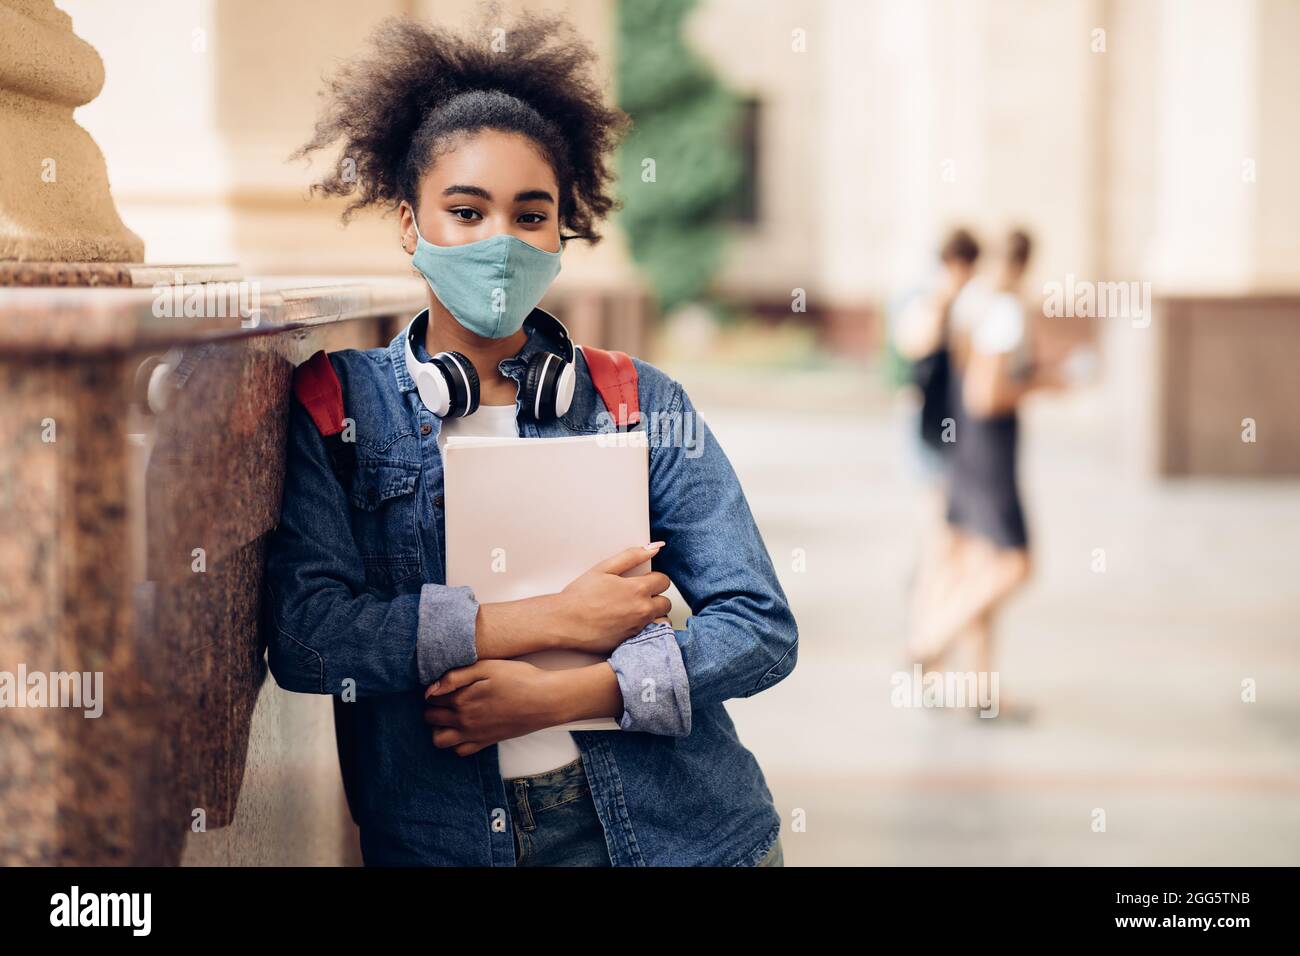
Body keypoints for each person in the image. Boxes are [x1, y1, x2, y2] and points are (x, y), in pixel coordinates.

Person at [261, 12, 797, 866]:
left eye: (531, 214)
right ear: (409, 223)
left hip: (684, 838)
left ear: (560, 232)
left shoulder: (640, 400)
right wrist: (542, 620)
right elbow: (306, 637)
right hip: (448, 846)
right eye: (466, 211)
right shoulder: (338, 409)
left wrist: (568, 694)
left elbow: (762, 628)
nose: (500, 242)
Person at [906, 230, 1058, 711]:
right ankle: (930, 642)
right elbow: (986, 394)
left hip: (964, 450)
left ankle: (982, 690)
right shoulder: (1005, 309)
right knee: (1015, 563)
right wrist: (1047, 383)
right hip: (989, 453)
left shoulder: (972, 301)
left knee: (981, 560)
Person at [893, 229, 981, 651]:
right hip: (932, 439)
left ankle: (932, 643)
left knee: (952, 546)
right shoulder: (927, 297)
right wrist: (944, 301)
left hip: (961, 438)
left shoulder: (973, 300)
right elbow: (913, 343)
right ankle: (925, 644)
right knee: (937, 542)